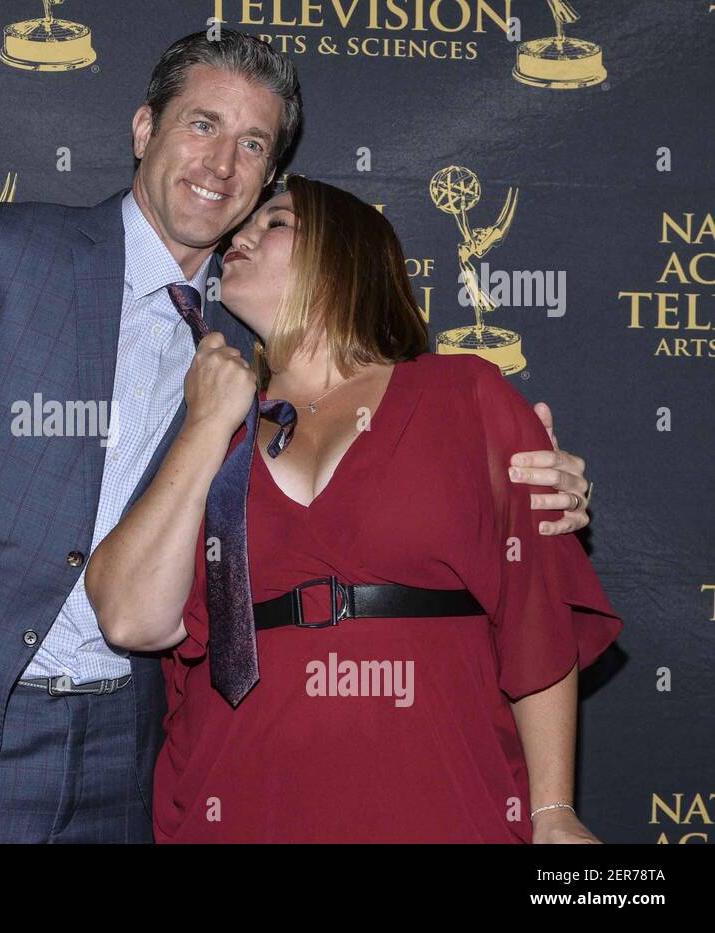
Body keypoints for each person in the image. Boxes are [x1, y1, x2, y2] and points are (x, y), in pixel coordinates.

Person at [0, 29, 594, 844]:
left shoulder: (254, 344)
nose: (222, 163)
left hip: (135, 752)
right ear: (145, 130)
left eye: (252, 144)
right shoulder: (5, 252)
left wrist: (537, 483)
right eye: (203, 125)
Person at [84, 175, 623, 843]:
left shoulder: (465, 394)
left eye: (274, 222)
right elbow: (131, 616)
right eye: (238, 230)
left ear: (346, 254)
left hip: (442, 796)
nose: (236, 240)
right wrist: (207, 424)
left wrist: (552, 810)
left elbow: (535, 611)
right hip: (235, 798)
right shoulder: (210, 436)